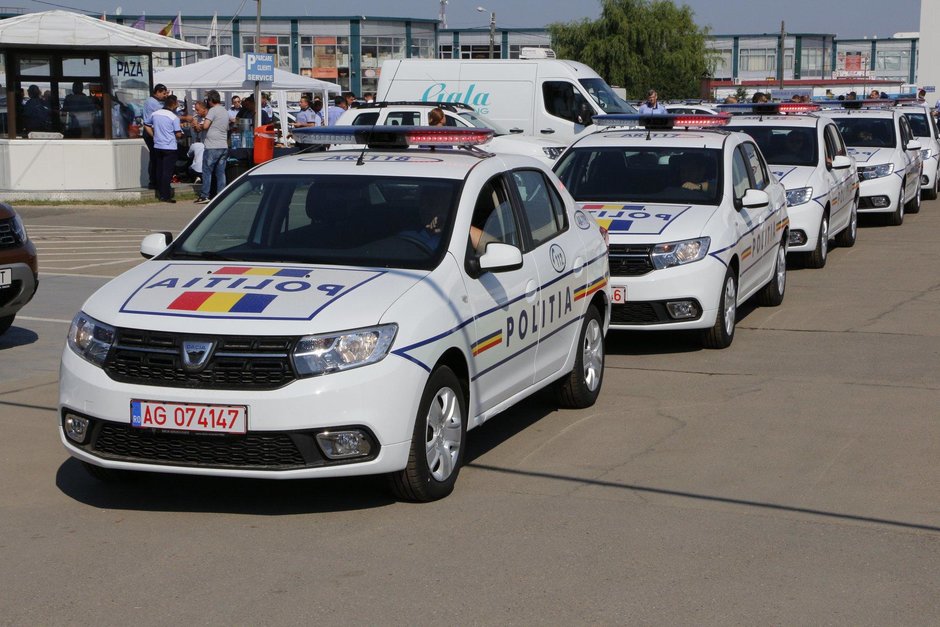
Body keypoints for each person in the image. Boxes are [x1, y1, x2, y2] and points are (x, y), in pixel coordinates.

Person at [192, 90, 229, 204]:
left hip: (212, 145)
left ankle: (205, 195)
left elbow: (206, 125)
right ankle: (221, 194)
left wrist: (197, 125)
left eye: (207, 100)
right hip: (223, 145)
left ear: (211, 100)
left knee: (207, 171)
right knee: (220, 172)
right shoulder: (224, 110)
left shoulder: (213, 110)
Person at [147, 94, 183, 203]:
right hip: (170, 147)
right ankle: (166, 195)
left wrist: (154, 136)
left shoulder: (155, 114)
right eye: (177, 103)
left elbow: (147, 124)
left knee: (159, 169)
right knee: (167, 172)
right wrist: (182, 135)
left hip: (158, 145)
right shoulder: (174, 117)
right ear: (174, 104)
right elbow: (178, 134)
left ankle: (160, 192)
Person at [142, 83, 168, 190]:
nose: (165, 96)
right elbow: (165, 111)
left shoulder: (158, 102)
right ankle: (153, 181)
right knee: (155, 157)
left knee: (157, 157)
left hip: (155, 131)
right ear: (157, 92)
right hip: (150, 131)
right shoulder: (151, 102)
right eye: (164, 93)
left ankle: (157, 180)